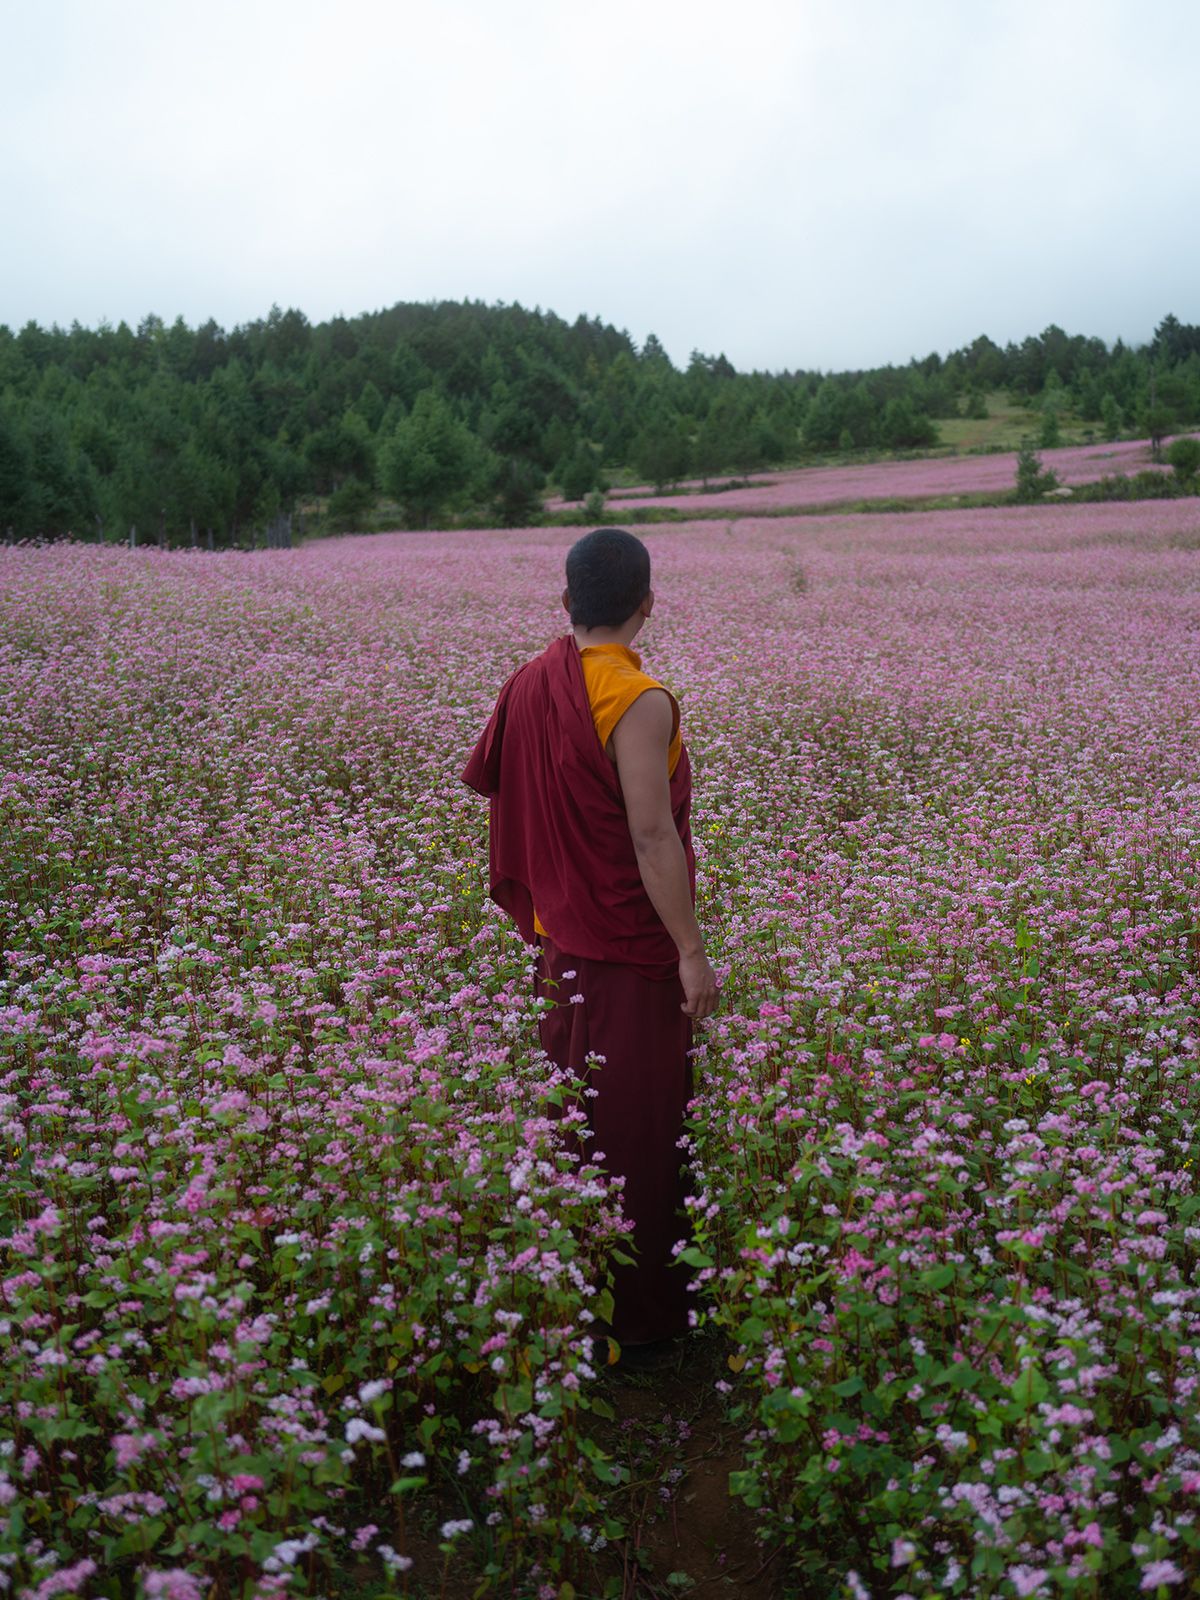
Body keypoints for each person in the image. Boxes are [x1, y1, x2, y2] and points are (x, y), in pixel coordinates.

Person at [462, 528, 718, 1352]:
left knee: (577, 1115)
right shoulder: (637, 697)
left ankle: (571, 1297)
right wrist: (690, 950)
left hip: (563, 940)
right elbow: (650, 834)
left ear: (567, 601)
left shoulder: (529, 683)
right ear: (648, 604)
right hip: (629, 950)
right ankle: (641, 1325)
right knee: (638, 1127)